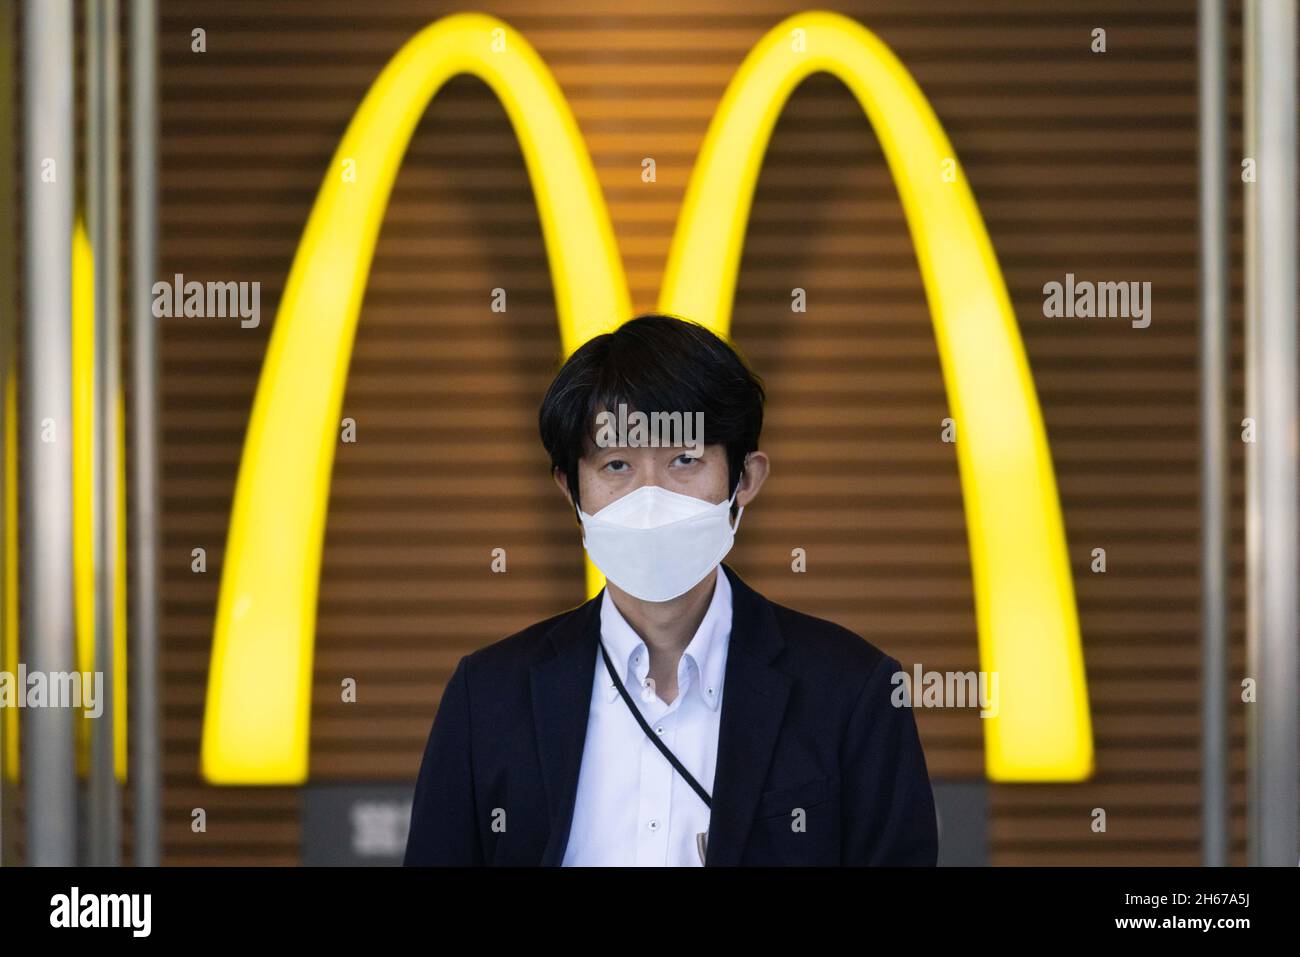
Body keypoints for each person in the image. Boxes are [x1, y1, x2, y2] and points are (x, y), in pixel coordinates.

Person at [404, 313, 938, 866]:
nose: (650, 496)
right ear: (572, 491)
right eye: (617, 465)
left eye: (685, 460)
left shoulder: (852, 691)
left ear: (744, 480)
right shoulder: (487, 697)